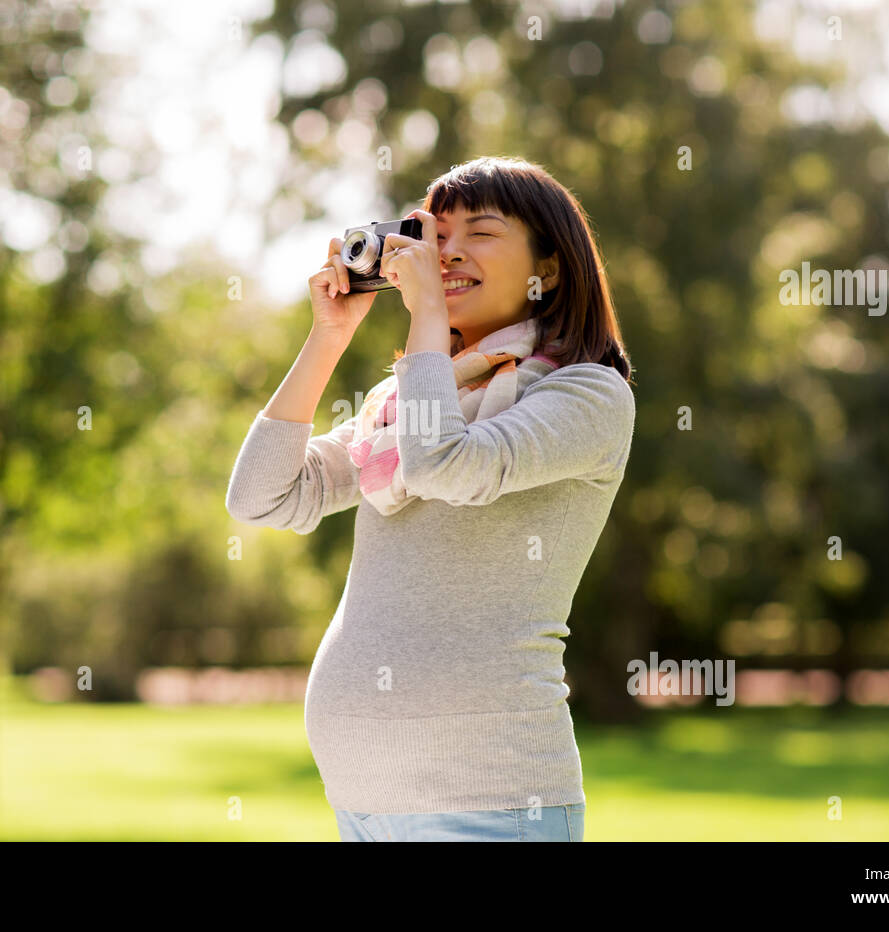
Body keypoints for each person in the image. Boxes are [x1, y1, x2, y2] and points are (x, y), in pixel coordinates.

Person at [225, 155, 636, 841]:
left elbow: (444, 465)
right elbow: (262, 497)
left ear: (551, 268)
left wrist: (424, 314)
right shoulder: (404, 404)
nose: (446, 252)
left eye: (479, 232)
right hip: (366, 804)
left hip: (491, 801)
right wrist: (330, 334)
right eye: (433, 234)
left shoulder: (585, 393)